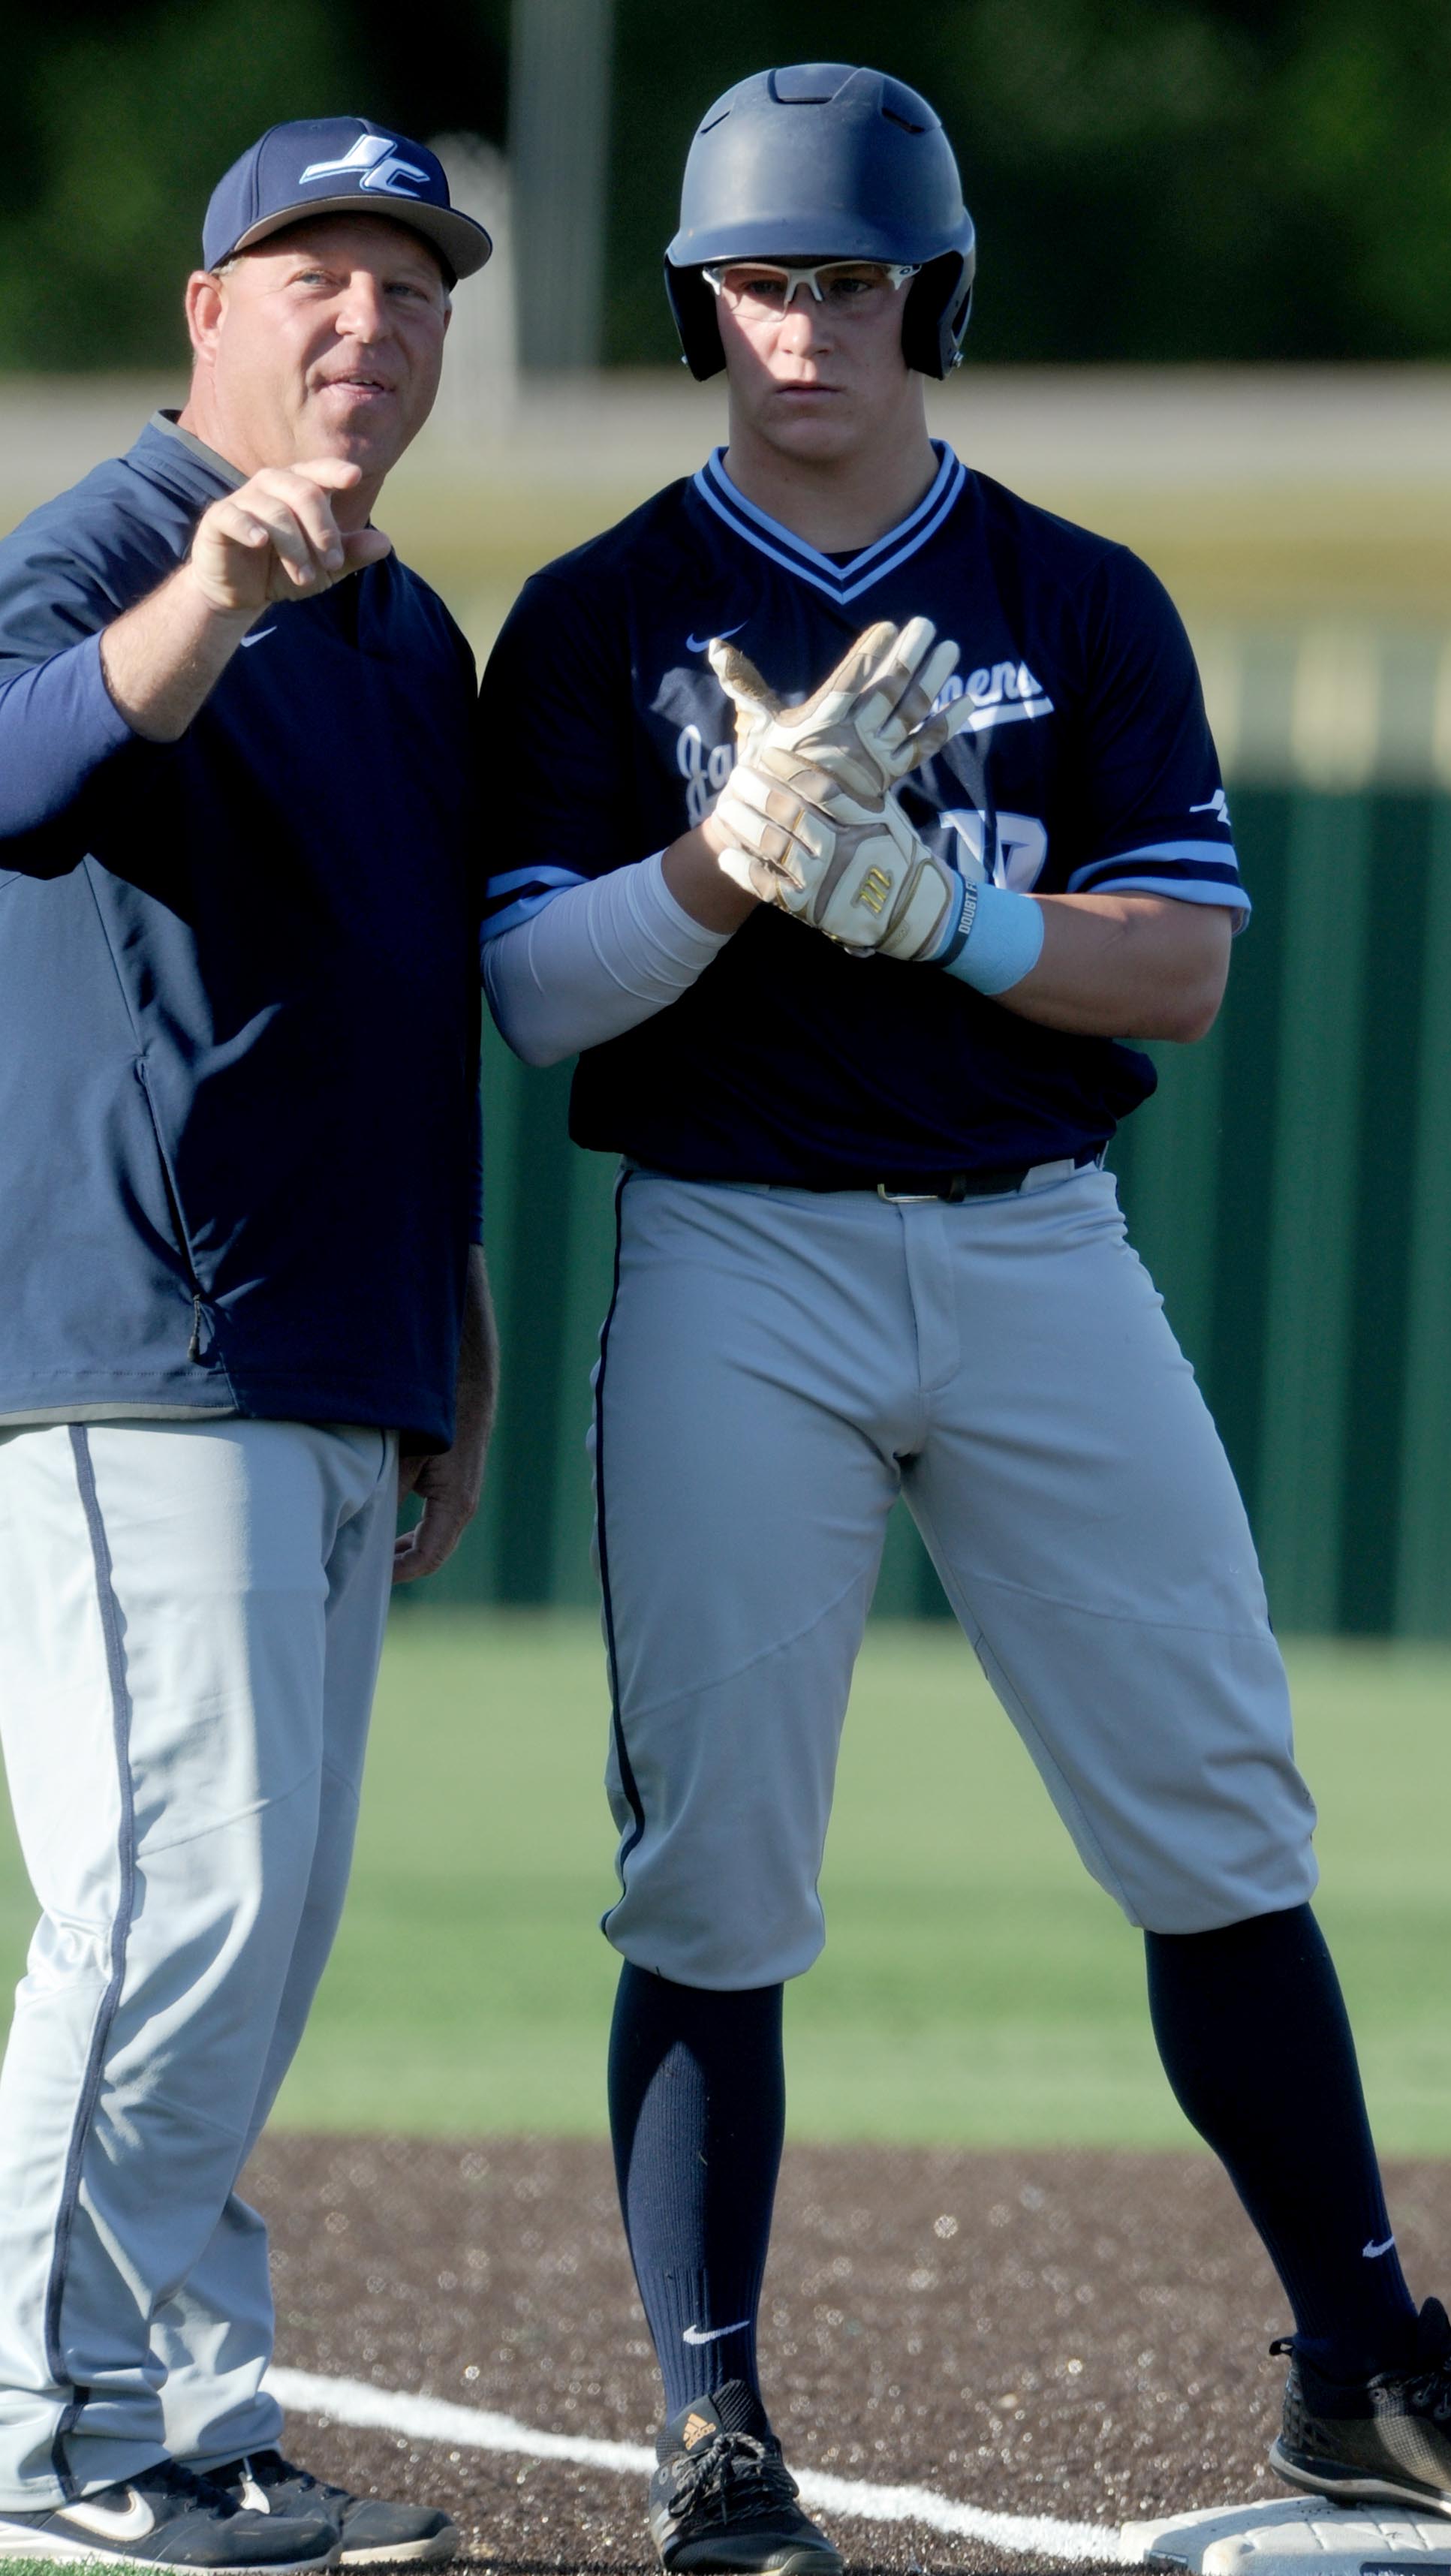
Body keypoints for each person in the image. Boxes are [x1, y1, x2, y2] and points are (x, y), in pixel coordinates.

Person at [478, 64, 1451, 2576]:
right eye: (761, 280)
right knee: (715, 1872)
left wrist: (951, 920)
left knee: (1217, 1816)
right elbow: (538, 1001)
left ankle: (1361, 2362)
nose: (805, 324)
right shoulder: (594, 615)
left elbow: (1186, 970)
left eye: (851, 276)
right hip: (738, 1250)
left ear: (937, 294)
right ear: (698, 303)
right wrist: (727, 862)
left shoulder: (1073, 591)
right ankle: (714, 2426)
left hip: (1033, 1245)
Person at [0, 119, 497, 2571]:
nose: (367, 324)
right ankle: (46, 2444)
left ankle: (180, 2420)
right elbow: (11, 766)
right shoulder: (109, 536)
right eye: (315, 272)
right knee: (169, 1905)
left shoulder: (416, 632)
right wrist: (199, 594)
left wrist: (457, 1310)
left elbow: (396, 998)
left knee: (257, 1923)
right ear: (207, 304)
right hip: (137, 1336)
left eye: (411, 290)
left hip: (336, 1336)